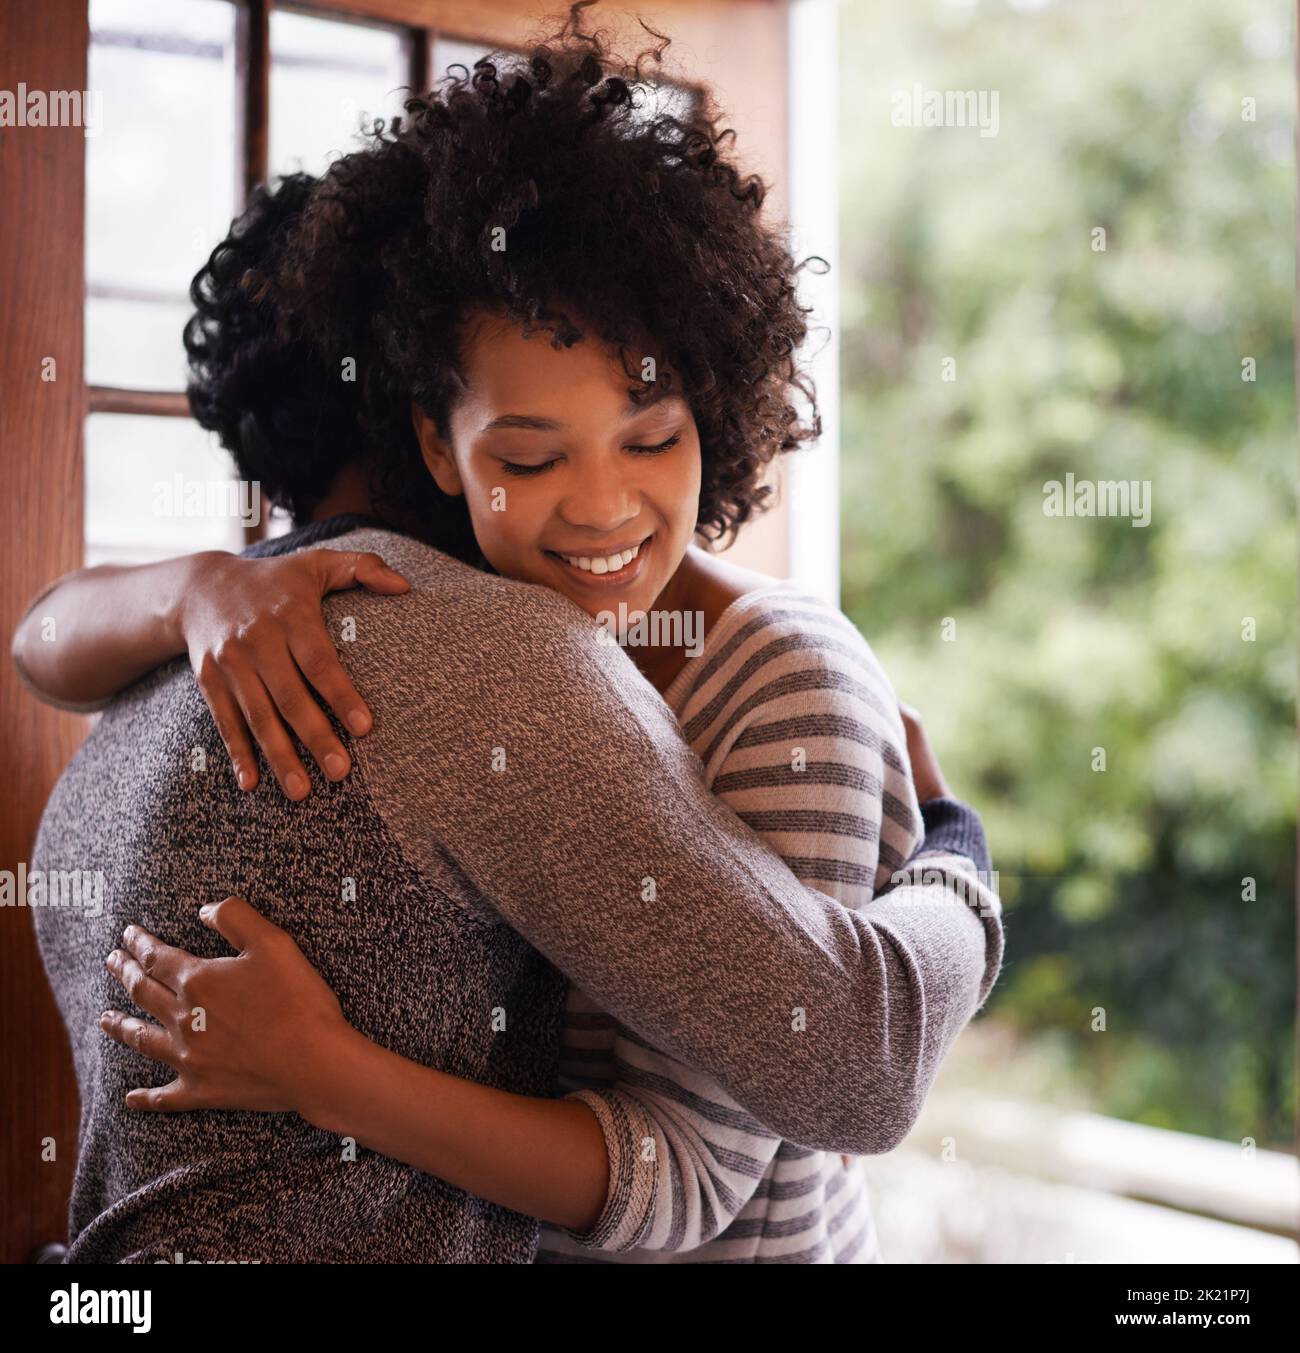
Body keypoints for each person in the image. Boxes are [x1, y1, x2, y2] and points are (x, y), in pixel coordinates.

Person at [14, 6, 1002, 1263]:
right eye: (525, 454)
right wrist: (963, 854)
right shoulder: (437, 649)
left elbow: (804, 1097)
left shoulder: (139, 694)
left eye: (648, 436)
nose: (593, 505)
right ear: (432, 434)